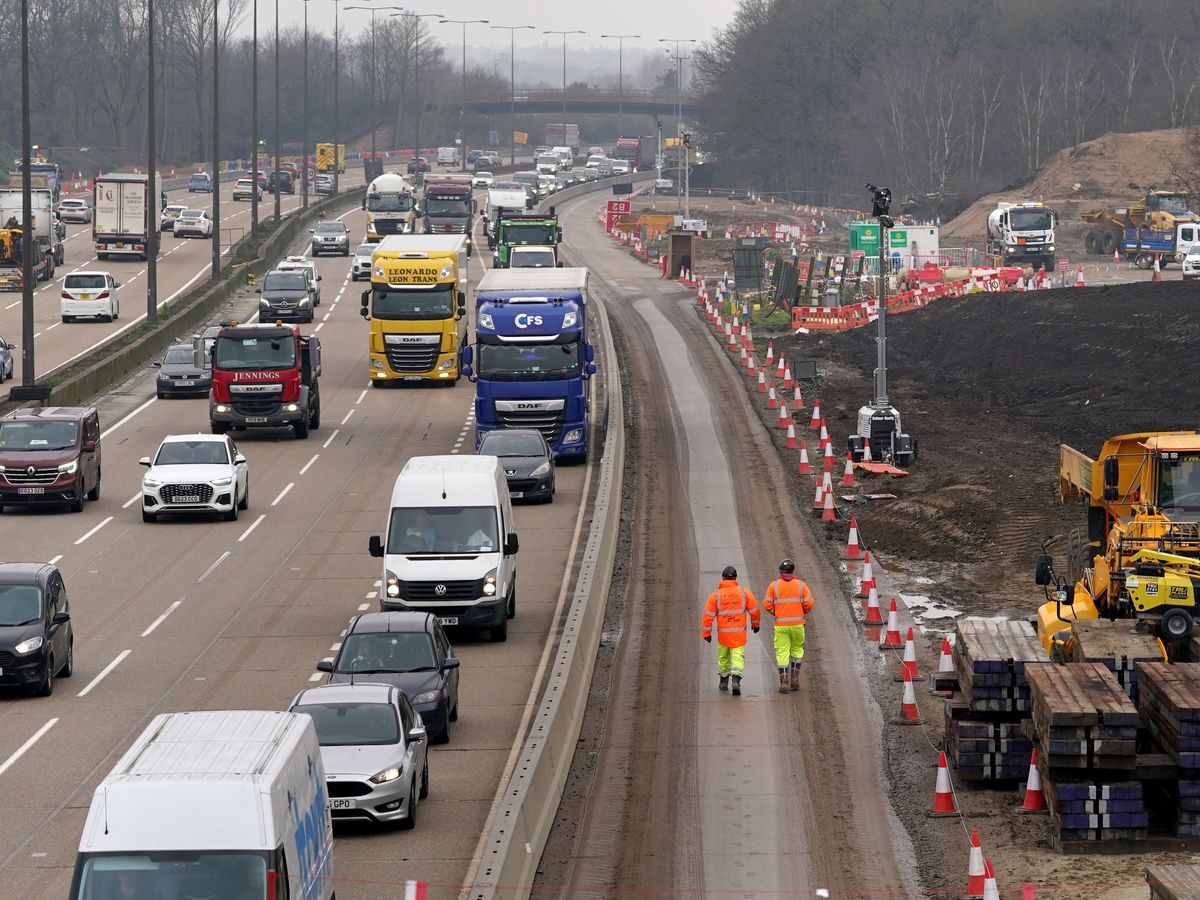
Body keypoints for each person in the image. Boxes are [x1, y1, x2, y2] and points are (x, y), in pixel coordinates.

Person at [701, 565, 760, 696]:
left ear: (723, 578)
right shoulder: (744, 593)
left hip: (723, 635)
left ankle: (723, 681)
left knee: (723, 657)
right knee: (738, 657)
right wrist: (756, 624)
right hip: (739, 635)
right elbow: (755, 610)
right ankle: (736, 680)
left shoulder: (715, 596)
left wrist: (706, 633)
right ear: (735, 578)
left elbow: (707, 616)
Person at [762, 558, 815, 693]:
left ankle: (784, 681)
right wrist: (801, 611)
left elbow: (767, 604)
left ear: (780, 571)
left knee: (782, 653)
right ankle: (795, 679)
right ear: (793, 571)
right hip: (798, 625)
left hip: (781, 626)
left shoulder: (773, 586)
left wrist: (777, 612)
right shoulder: (801, 585)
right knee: (797, 650)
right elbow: (809, 603)